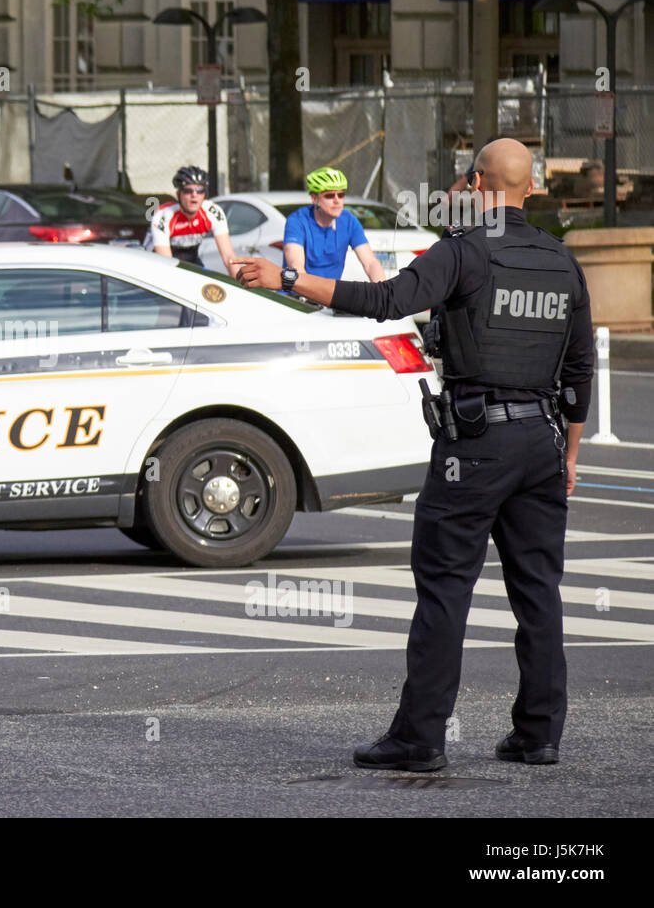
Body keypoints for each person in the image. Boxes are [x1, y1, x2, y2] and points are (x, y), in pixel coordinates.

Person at [235, 138, 594, 771]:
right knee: (539, 589)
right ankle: (539, 733)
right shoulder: (562, 262)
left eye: (463, 180)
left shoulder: (463, 252)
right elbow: (579, 367)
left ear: (479, 185)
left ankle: (420, 737)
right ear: (530, 189)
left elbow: (383, 301)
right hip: (541, 440)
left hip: (477, 445)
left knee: (446, 588)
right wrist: (567, 453)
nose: (455, 190)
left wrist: (288, 278)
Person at [283, 166, 387, 283]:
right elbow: (296, 267)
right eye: (329, 196)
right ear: (314, 199)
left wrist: (384, 292)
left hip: (329, 296)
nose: (337, 200)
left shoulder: (349, 221)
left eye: (341, 195)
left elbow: (370, 263)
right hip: (298, 294)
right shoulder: (297, 221)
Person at [148, 165, 240, 273]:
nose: (194, 195)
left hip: (191, 260)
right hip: (156, 261)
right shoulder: (164, 215)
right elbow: (166, 265)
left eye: (200, 190)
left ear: (204, 194)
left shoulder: (212, 212)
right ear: (178, 194)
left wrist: (243, 284)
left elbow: (228, 256)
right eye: (188, 190)